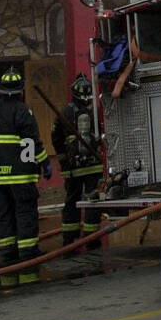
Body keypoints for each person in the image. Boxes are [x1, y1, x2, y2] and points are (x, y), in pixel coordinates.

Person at [0, 66, 52, 285]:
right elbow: (31, 142)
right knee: (25, 211)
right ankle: (28, 253)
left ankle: (8, 251)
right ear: (20, 91)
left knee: (4, 213)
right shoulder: (23, 110)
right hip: (21, 175)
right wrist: (44, 162)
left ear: (0, 90)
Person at [51, 73, 104, 247]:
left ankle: (69, 237)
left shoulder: (65, 111)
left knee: (72, 199)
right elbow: (102, 133)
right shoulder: (95, 109)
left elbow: (56, 137)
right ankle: (91, 236)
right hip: (93, 166)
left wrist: (63, 161)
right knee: (92, 201)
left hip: (73, 166)